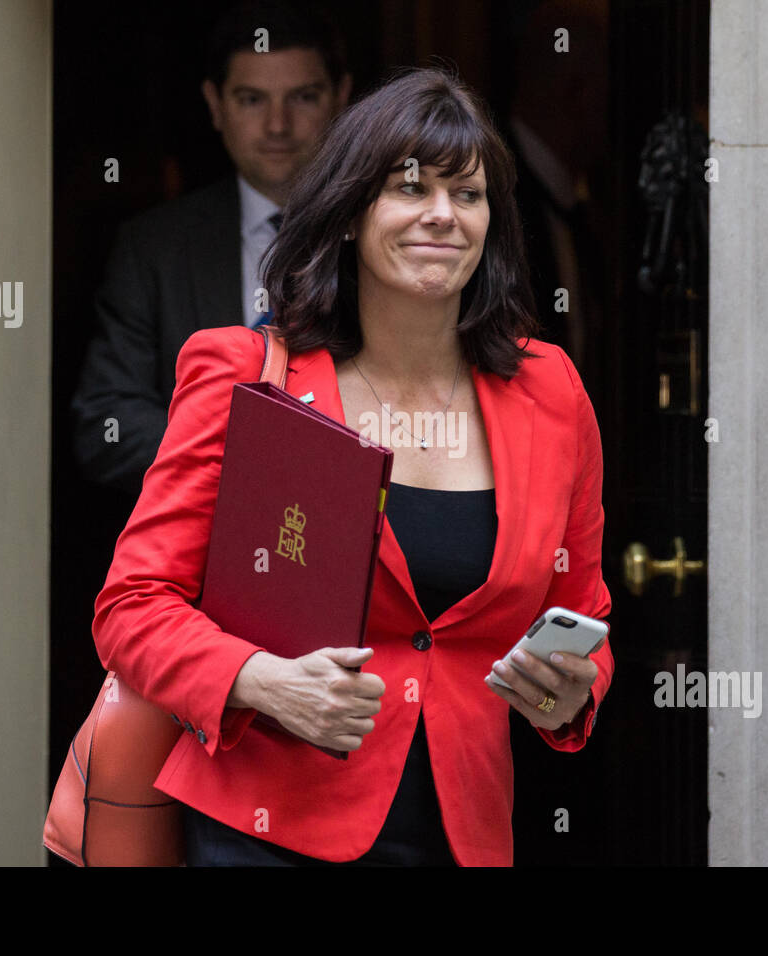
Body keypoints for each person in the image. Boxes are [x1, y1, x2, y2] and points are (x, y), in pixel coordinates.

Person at [91, 66, 614, 867]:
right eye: (410, 189)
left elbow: (583, 616)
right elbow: (131, 606)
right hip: (265, 836)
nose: (442, 214)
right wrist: (261, 681)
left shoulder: (549, 391)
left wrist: (567, 692)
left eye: (466, 194)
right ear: (346, 216)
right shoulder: (248, 377)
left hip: (462, 835)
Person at [69, 0, 351, 496]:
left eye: (303, 98)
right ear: (215, 105)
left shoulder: (387, 234)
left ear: (341, 98)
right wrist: (246, 456)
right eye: (251, 100)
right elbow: (105, 424)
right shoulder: (154, 246)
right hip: (200, 551)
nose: (278, 126)